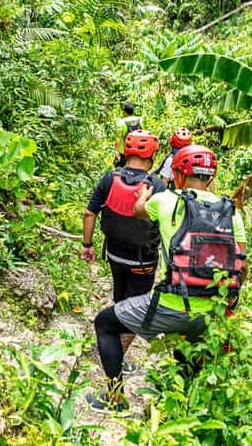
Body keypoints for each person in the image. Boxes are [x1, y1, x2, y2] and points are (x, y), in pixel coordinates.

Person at [87, 145, 248, 413]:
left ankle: (115, 400)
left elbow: (139, 210)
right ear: (212, 177)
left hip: (168, 305)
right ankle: (179, 411)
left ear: (179, 175)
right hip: (211, 313)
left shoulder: (165, 201)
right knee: (187, 348)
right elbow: (242, 266)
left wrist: (144, 195)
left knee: (105, 323)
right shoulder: (231, 212)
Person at [81, 130, 166, 373]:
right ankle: (115, 358)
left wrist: (87, 245)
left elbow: (89, 213)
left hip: (114, 255)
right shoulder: (156, 186)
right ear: (152, 156)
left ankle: (112, 346)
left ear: (125, 153)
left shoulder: (109, 178)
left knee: (120, 301)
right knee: (135, 311)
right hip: (143, 261)